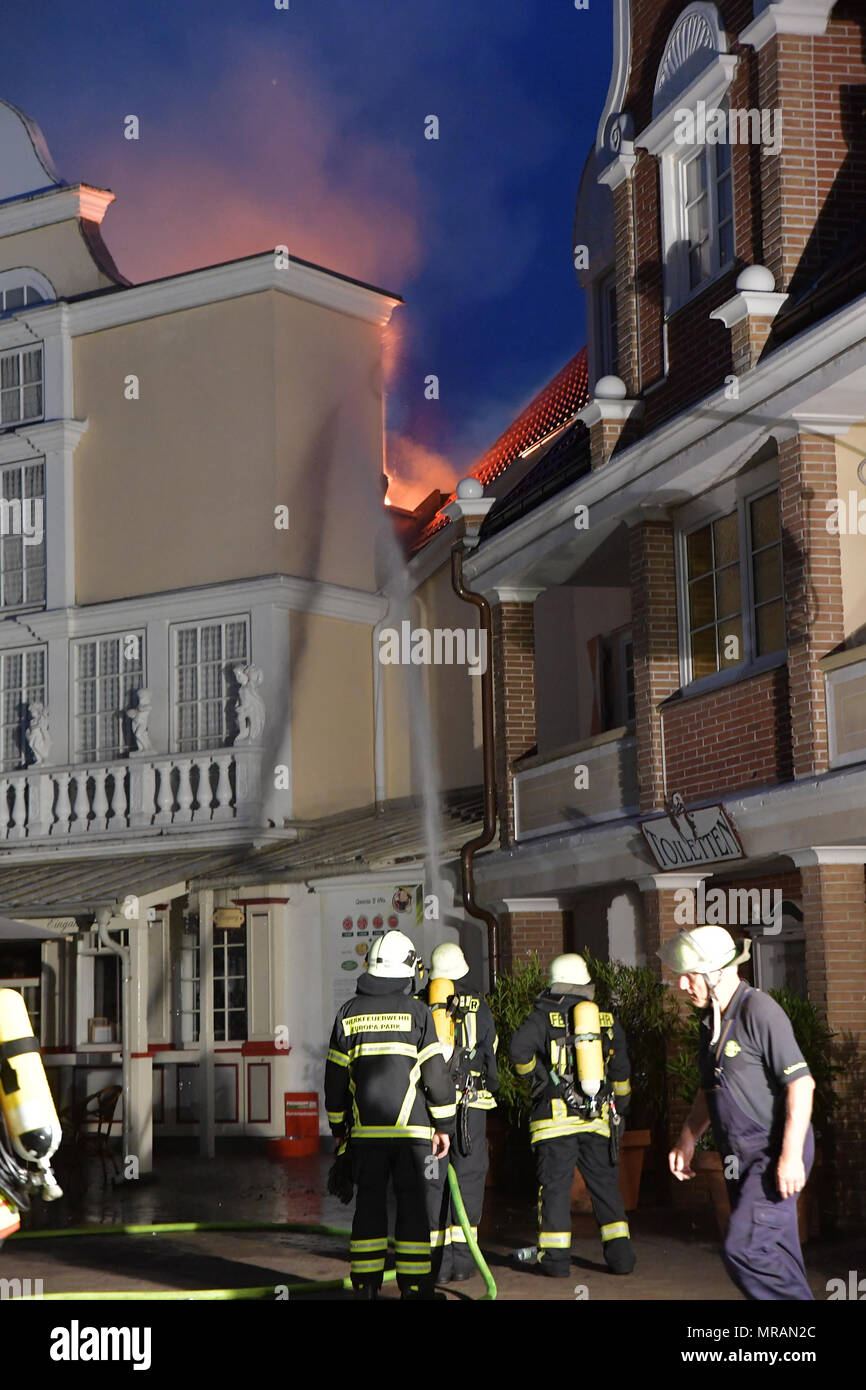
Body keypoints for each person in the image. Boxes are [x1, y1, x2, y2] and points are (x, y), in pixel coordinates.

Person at [660, 926, 815, 1301]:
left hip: (772, 1152)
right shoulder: (713, 1020)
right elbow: (710, 1087)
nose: (682, 984)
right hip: (737, 1157)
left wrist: (790, 1156)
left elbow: (801, 1085)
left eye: (690, 975)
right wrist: (688, 1137)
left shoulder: (758, 1010)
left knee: (743, 1249)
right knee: (775, 1251)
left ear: (717, 973)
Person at [324, 928, 457, 1300]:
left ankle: (366, 1286)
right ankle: (415, 1289)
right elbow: (436, 1076)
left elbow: (334, 1080)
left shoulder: (347, 1014)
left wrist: (339, 1128)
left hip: (366, 1138)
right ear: (408, 971)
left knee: (368, 1208)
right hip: (412, 1137)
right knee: (413, 1209)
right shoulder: (418, 1013)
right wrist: (444, 1125)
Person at [509, 953, 635, 1276]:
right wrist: (617, 1110)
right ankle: (621, 1257)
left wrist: (538, 1078)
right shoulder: (605, 1019)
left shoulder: (542, 1017)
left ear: (554, 984)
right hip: (597, 1119)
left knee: (555, 1187)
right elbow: (621, 1074)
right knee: (605, 1187)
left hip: (554, 1122)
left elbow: (518, 1053)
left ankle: (555, 1260)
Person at [422, 942, 498, 1282]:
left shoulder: (420, 1003)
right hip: (472, 1107)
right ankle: (464, 1263)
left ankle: (435, 1264)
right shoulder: (479, 1004)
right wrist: (489, 1084)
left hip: (430, 1110)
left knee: (432, 1180)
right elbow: (491, 1053)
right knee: (467, 1178)